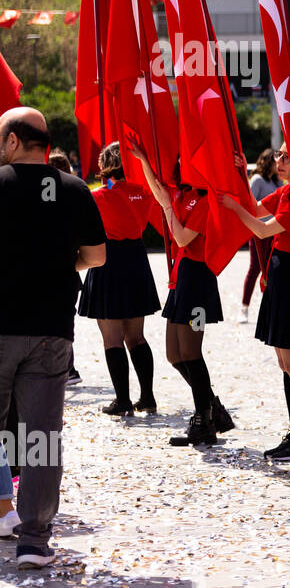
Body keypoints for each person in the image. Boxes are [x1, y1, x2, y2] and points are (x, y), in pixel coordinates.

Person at [0, 107, 105, 567]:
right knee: (42, 438)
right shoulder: (75, 189)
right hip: (51, 330)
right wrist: (64, 265)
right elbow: (97, 257)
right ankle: (34, 541)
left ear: (12, 142)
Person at [129, 142, 236, 448]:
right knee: (174, 355)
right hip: (181, 279)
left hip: (199, 281)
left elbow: (182, 236)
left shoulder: (205, 200)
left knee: (191, 352)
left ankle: (204, 421)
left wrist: (167, 208)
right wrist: (144, 158)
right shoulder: (183, 194)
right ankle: (213, 408)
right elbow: (158, 192)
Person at [219, 145, 290, 461]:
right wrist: (240, 173)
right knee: (284, 362)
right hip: (279, 277)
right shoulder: (287, 192)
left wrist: (234, 210)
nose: (279, 161)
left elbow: (262, 228)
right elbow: (256, 205)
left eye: (287, 156)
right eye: (278, 155)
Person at [78, 143, 161, 417]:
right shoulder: (144, 192)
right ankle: (147, 397)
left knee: (112, 339)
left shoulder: (97, 196)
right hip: (136, 260)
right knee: (136, 336)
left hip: (108, 260)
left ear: (105, 165)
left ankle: (122, 400)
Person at [47, 149, 84, 385]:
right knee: (62, 320)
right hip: (69, 272)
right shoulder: (74, 195)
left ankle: (66, 369)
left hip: (56, 272)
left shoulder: (55, 201)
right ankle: (67, 368)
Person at [240, 148, 279, 324]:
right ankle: (244, 307)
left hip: (275, 231)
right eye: (275, 160)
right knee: (256, 267)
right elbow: (250, 204)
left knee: (271, 269)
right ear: (267, 162)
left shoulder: (278, 182)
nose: (278, 164)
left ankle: (268, 304)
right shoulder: (257, 180)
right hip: (259, 231)